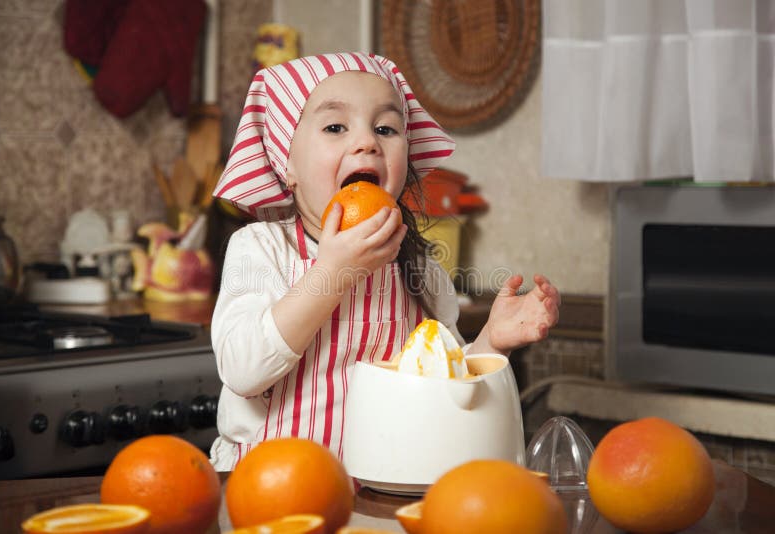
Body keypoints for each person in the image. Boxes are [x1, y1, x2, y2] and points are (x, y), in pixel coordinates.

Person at [209, 52, 560, 471]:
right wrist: (332, 273)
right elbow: (243, 371)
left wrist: (491, 342)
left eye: (386, 128)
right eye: (335, 126)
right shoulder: (260, 249)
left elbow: (441, 383)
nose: (366, 142)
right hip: (270, 490)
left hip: (379, 494)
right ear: (287, 163)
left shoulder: (419, 270)